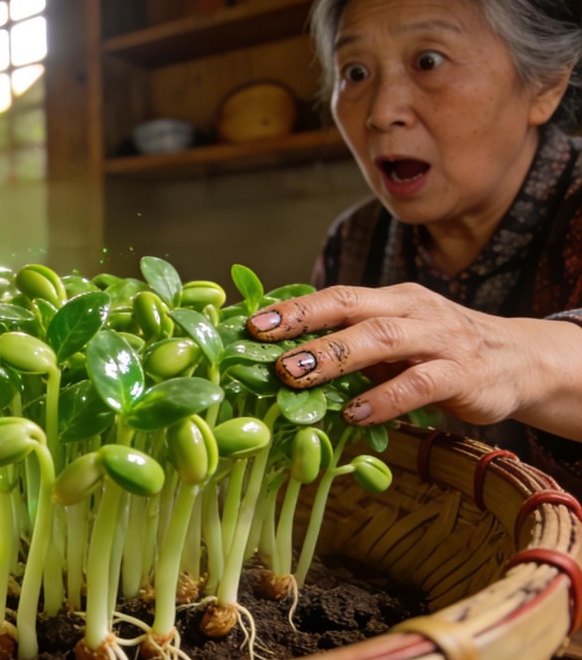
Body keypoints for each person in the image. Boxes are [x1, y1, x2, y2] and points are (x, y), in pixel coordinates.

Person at [246, 0, 582, 495]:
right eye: (355, 72)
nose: (381, 113)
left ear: (545, 84)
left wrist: (505, 356)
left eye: (428, 61)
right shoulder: (355, 240)